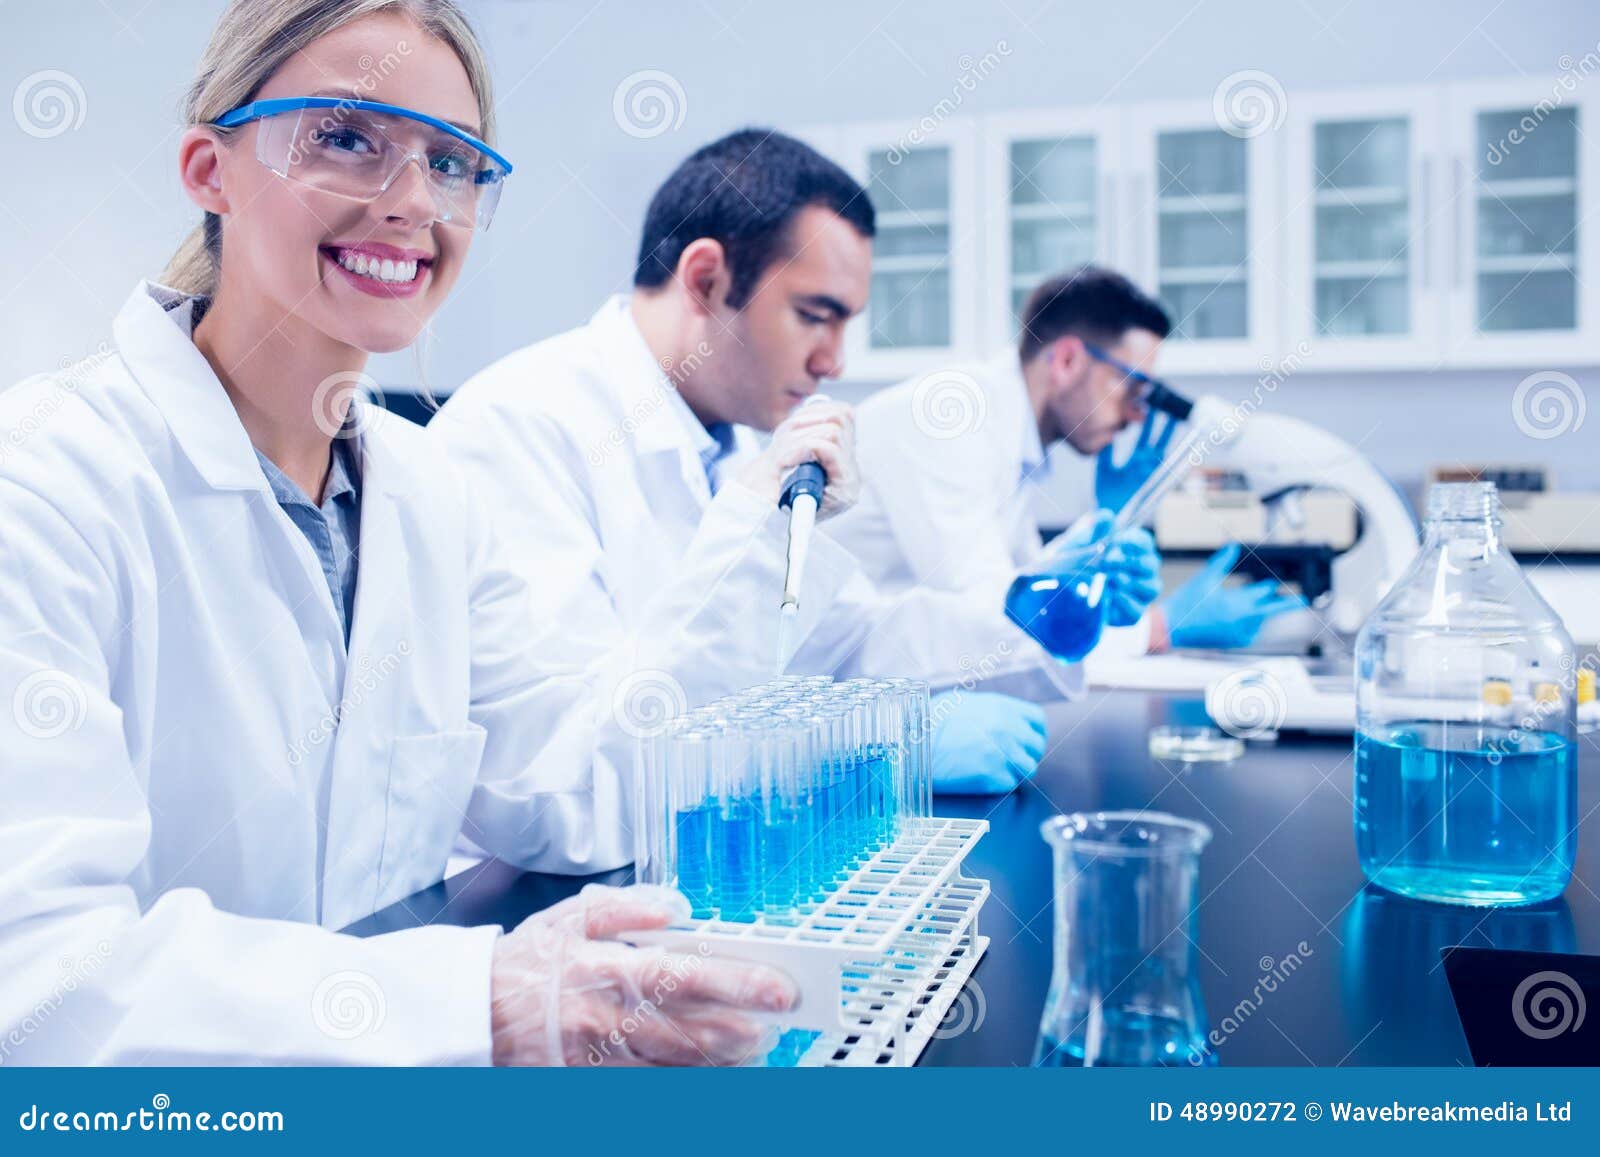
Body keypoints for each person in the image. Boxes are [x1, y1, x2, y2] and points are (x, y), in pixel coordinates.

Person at [0, 0, 795, 1066]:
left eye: (451, 162)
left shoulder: (430, 490)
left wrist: (761, 529)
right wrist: (480, 1003)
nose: (414, 202)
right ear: (208, 170)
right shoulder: (45, 483)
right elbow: (40, 983)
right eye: (345, 137)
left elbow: (567, 790)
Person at [430, 132, 1161, 796]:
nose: (833, 362)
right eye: (815, 316)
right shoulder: (523, 428)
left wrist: (1034, 616)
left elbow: (848, 642)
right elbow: (561, 776)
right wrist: (874, 748)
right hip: (545, 888)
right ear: (706, 280)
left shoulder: (738, 442)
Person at [827, 266, 1302, 682]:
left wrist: (1110, 521)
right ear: (1068, 360)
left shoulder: (1012, 446)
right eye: (1132, 387)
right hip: (828, 695)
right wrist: (1161, 627)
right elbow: (1002, 619)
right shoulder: (952, 420)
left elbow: (1032, 594)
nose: (1137, 414)